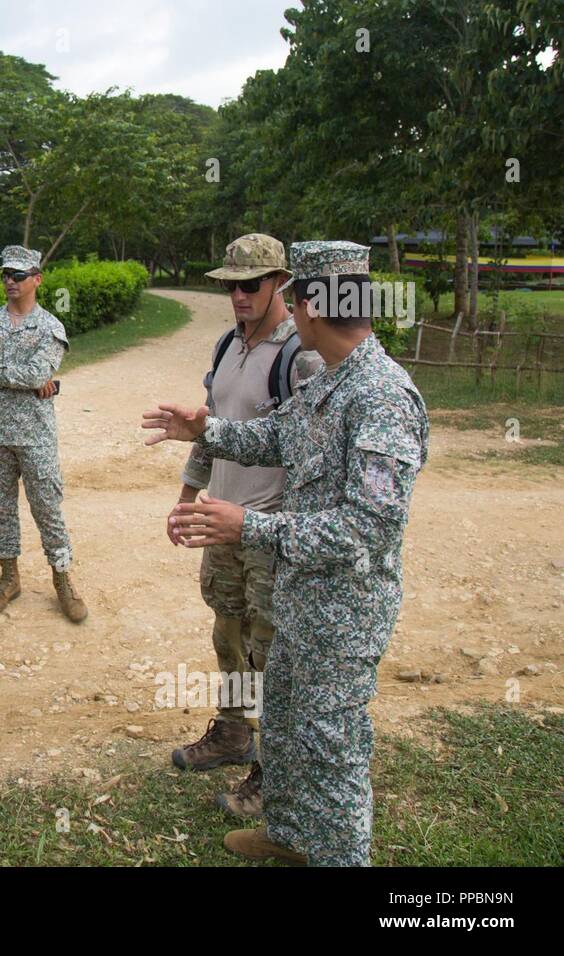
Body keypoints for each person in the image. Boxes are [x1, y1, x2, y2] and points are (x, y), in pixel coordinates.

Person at [142, 241, 429, 866]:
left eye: (295, 294)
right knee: (292, 733)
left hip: (344, 615)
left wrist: (252, 526)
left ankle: (340, 857)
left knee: (334, 751)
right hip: (302, 599)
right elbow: (276, 433)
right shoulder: (332, 380)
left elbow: (368, 528)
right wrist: (205, 430)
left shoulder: (382, 396)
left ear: (309, 304)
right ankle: (290, 836)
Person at [169, 234, 322, 822]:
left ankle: (273, 770)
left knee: (271, 651)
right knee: (227, 635)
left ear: (279, 283)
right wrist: (187, 496)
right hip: (221, 520)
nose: (237, 294)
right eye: (229, 284)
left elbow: (311, 452)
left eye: (250, 284)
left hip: (269, 529)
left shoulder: (299, 356)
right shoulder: (227, 345)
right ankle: (234, 733)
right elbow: (213, 430)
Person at [0, 245, 86, 623]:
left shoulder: (50, 326)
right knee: (1, 506)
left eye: (18, 275)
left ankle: (63, 580)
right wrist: (23, 378)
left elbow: (37, 374)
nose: (10, 281)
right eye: (5, 274)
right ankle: (8, 577)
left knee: (47, 508)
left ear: (37, 278)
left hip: (34, 433)